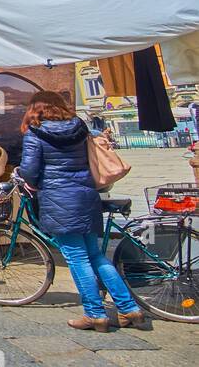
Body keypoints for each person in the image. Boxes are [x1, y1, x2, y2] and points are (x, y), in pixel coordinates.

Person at [17, 91, 146, 332]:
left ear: (36, 108)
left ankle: (95, 314)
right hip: (86, 195)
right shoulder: (79, 127)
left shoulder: (35, 132)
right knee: (96, 255)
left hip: (58, 199)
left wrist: (27, 180)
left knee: (76, 258)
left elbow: (30, 170)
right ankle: (129, 309)